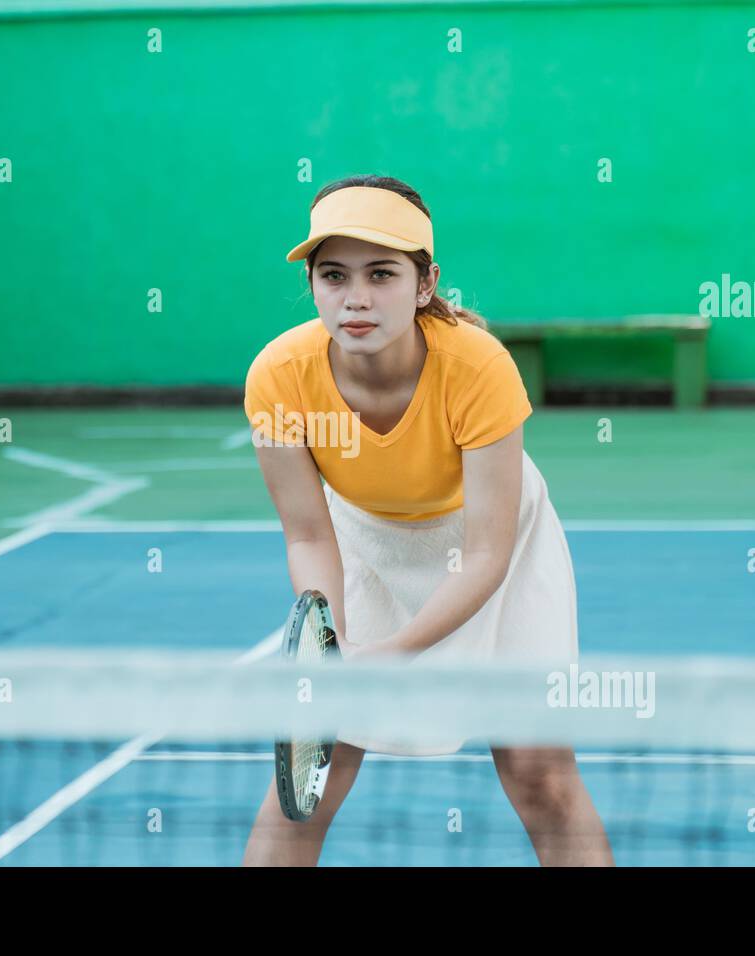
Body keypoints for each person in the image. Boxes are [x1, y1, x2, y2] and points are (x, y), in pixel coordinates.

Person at [241, 174, 612, 866]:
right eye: (333, 275)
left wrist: (392, 655)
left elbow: (485, 556)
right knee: (311, 783)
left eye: (382, 274)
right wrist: (334, 641)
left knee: (538, 771)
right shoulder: (277, 377)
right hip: (365, 545)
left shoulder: (477, 368)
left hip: (496, 546)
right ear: (314, 285)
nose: (355, 297)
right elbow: (309, 534)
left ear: (424, 282)